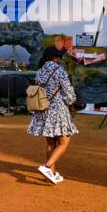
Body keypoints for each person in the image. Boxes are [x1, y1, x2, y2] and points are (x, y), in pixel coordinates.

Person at [26, 47, 78, 183]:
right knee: (64, 140)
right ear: (55, 58)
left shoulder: (40, 71)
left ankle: (52, 174)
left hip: (43, 109)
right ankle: (47, 166)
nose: (60, 59)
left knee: (50, 142)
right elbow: (68, 90)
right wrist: (72, 102)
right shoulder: (58, 70)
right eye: (59, 57)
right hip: (58, 109)